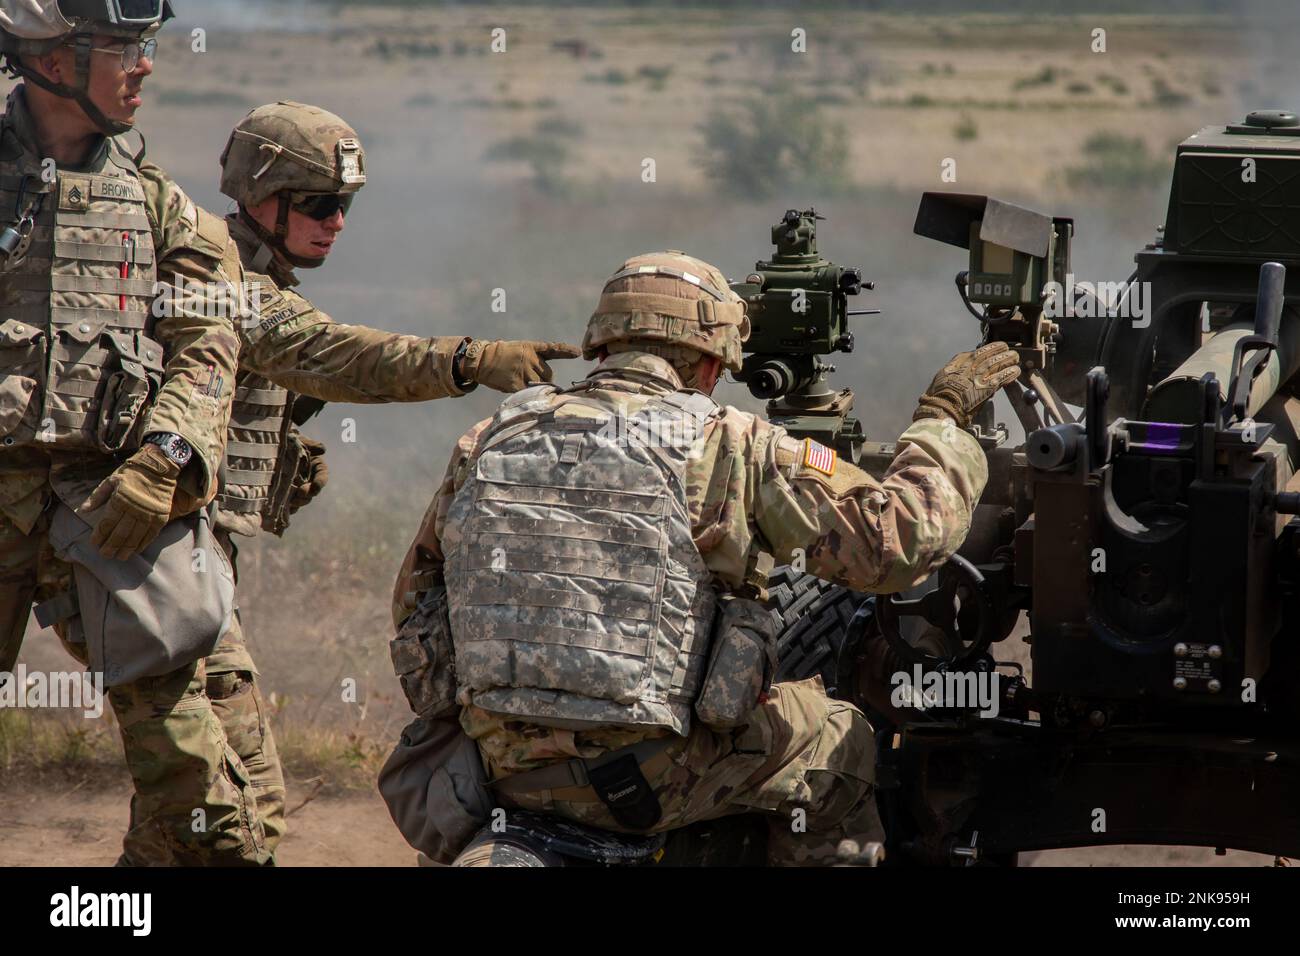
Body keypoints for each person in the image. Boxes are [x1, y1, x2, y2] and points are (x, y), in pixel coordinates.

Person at [378, 250, 1020, 865]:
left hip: (498, 770)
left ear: (600, 345)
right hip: (654, 778)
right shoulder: (731, 444)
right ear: (711, 363)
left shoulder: (491, 436)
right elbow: (898, 545)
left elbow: (416, 608)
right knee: (845, 742)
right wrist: (942, 422)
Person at [119, 100, 582, 864]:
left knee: (204, 814)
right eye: (320, 204)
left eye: (345, 206)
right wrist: (468, 360)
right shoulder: (222, 280)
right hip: (162, 575)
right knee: (233, 811)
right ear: (261, 196)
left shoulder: (254, 275)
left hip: (188, 574)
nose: (337, 223)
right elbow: (340, 356)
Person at [0, 0, 267, 864]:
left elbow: (208, 344)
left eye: (146, 45)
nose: (146, 65)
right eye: (122, 46)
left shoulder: (159, 207)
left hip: (112, 509)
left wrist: (169, 456)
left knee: (203, 804)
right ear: (51, 60)